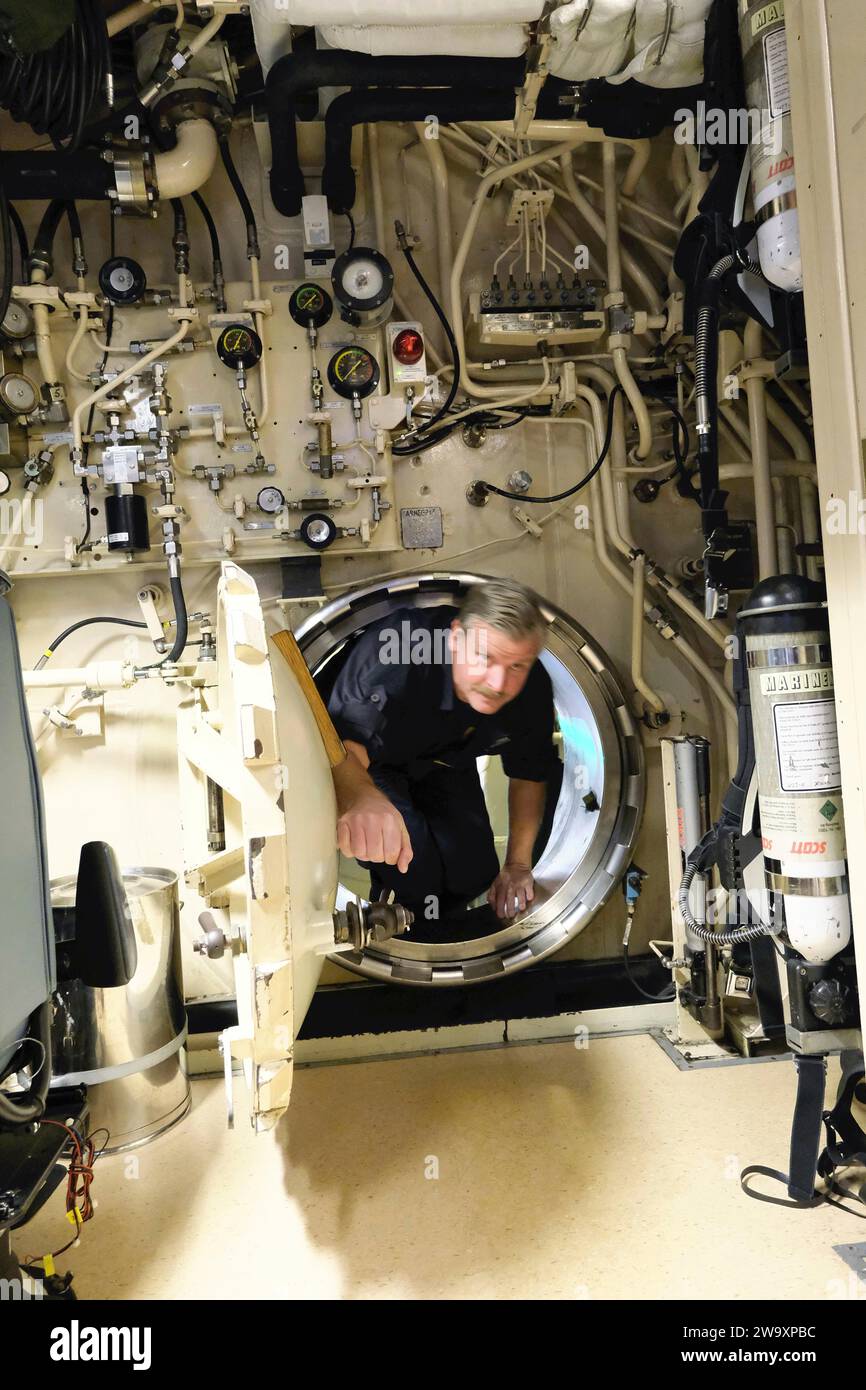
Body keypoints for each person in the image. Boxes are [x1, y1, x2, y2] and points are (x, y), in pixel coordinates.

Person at [326, 578, 559, 924]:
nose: (498, 684)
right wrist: (361, 799)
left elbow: (529, 772)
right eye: (484, 657)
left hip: (444, 759)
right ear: (454, 638)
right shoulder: (397, 653)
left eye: (516, 666)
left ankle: (449, 936)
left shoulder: (531, 687)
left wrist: (517, 865)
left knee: (474, 872)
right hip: (369, 762)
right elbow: (345, 746)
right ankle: (400, 925)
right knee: (412, 864)